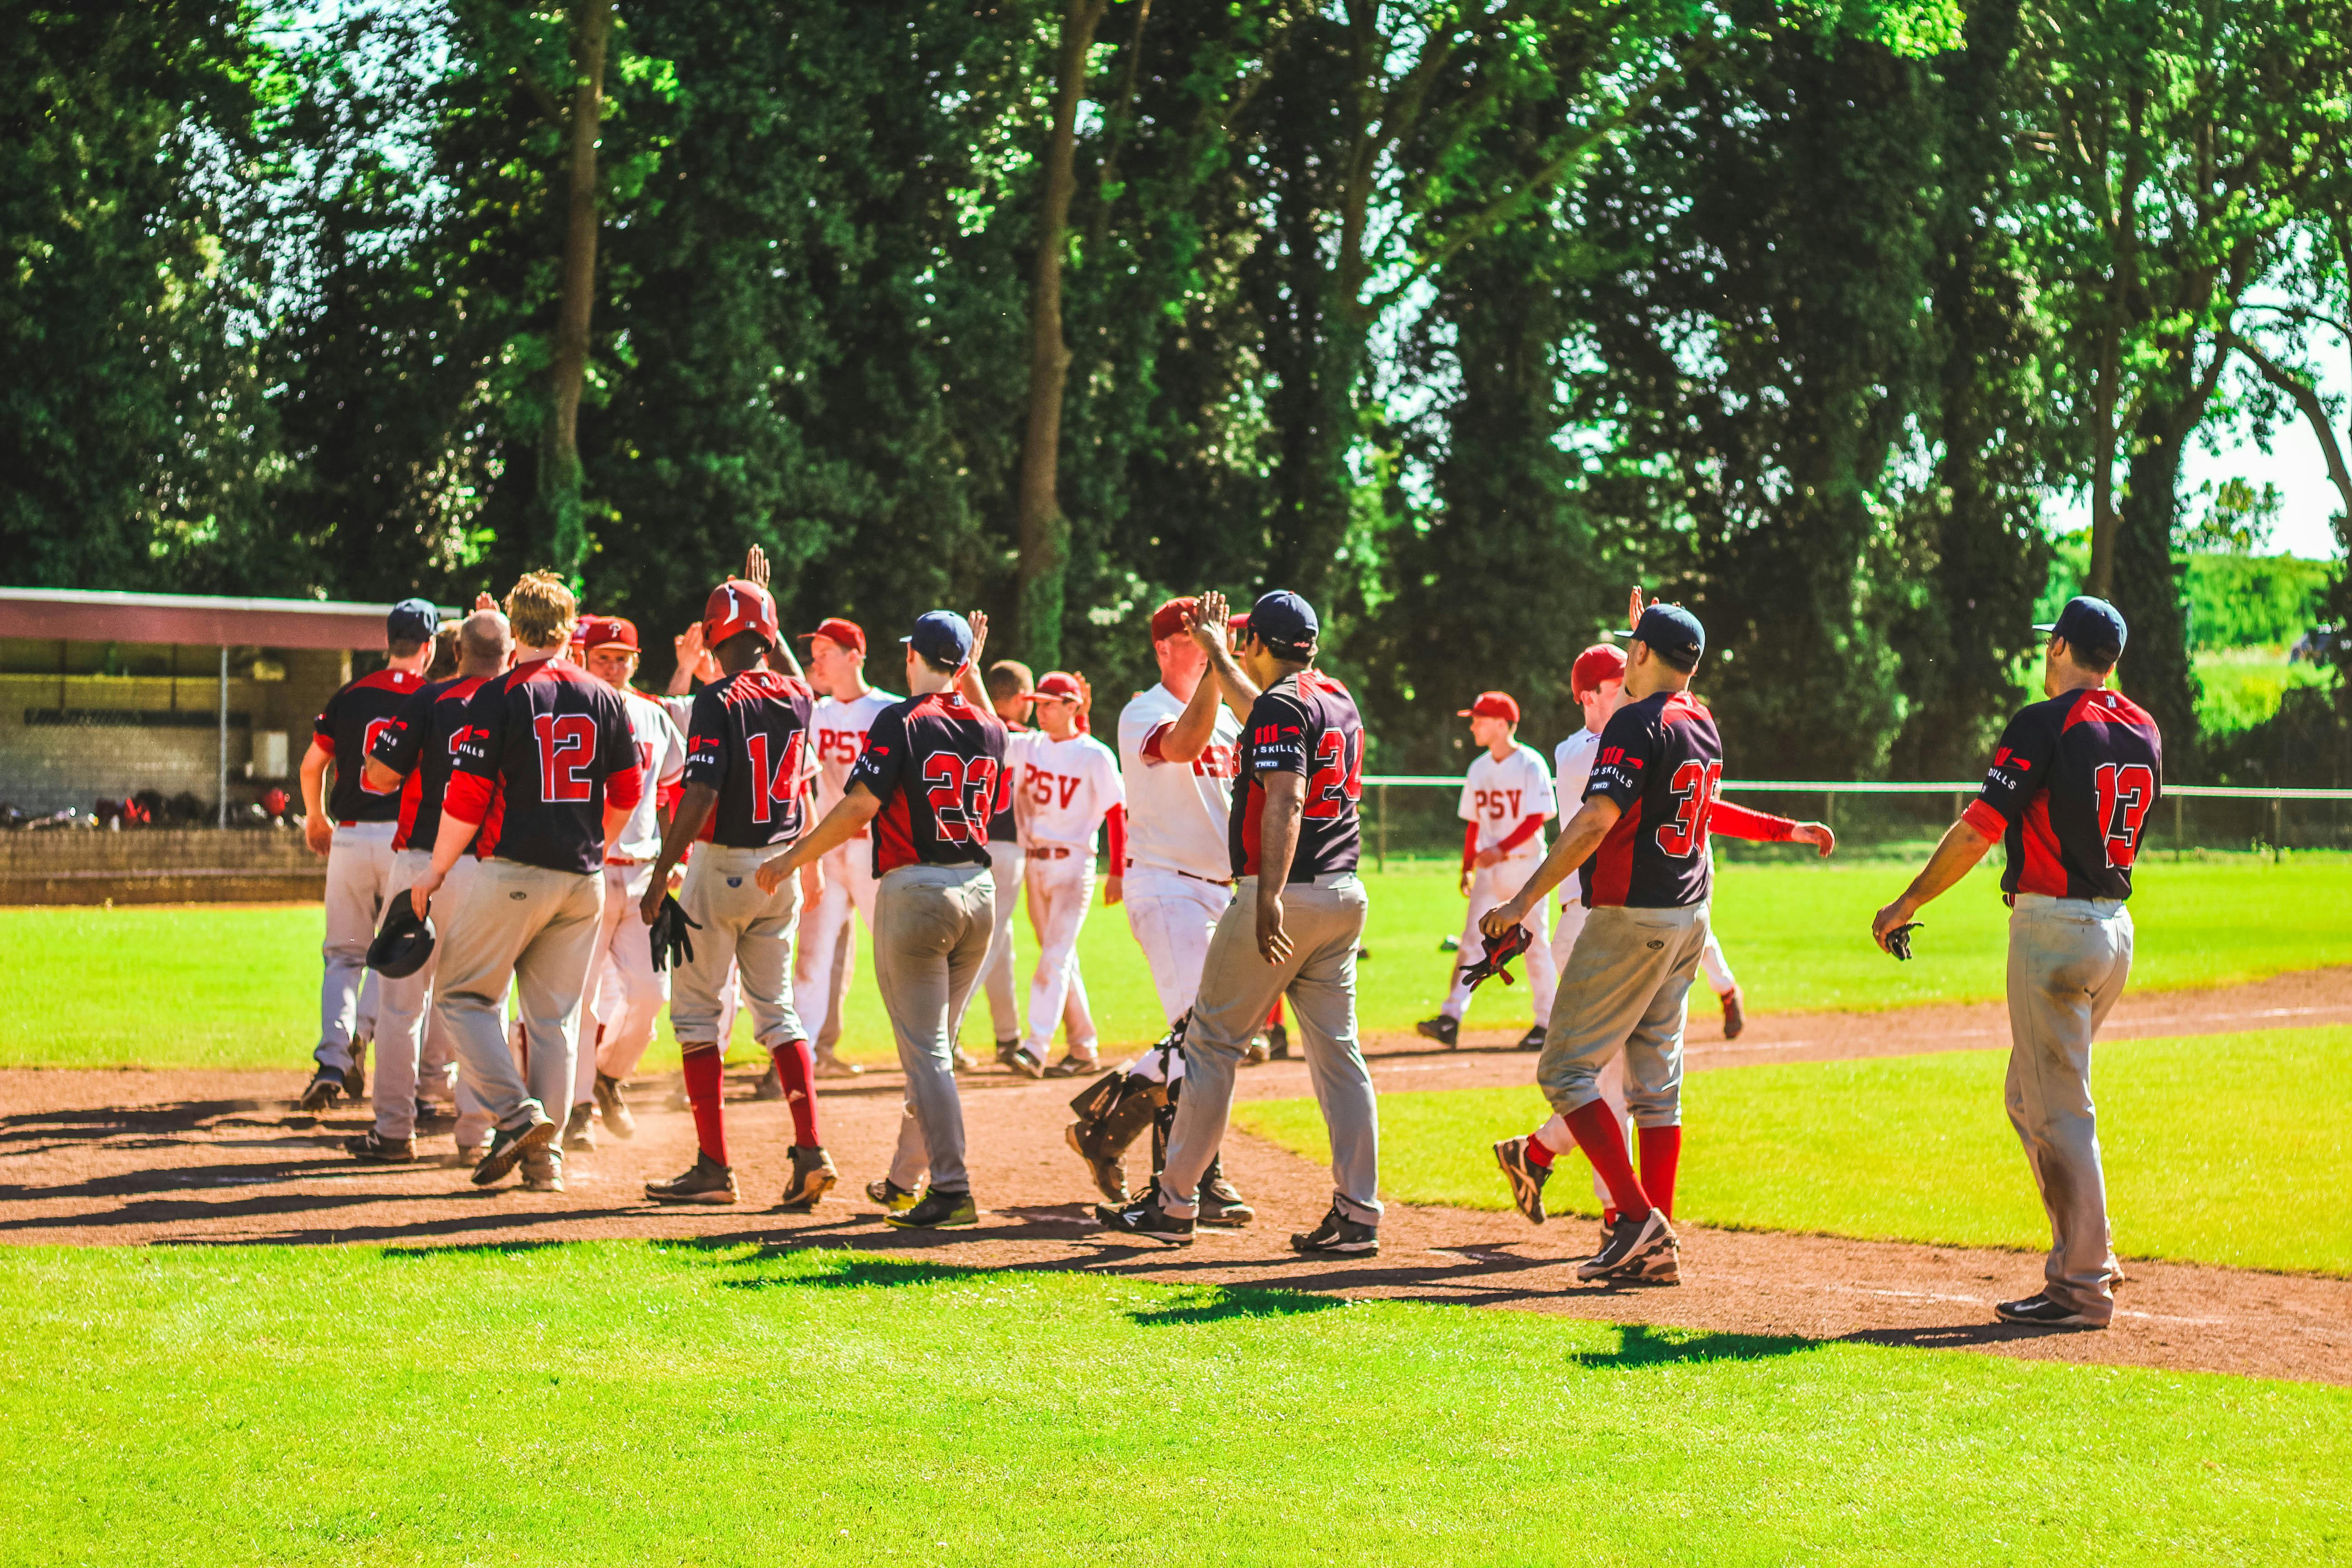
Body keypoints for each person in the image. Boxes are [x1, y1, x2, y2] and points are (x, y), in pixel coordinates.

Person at [1485, 594, 1833, 1284]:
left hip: (1631, 915)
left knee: (1563, 1070)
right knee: (1656, 1088)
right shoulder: (1700, 720)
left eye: (1633, 643)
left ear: (1640, 653)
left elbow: (1593, 824)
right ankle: (1656, 1242)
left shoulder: (1631, 723)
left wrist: (1523, 901)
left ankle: (1638, 1223)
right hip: (1689, 918)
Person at [1872, 595, 2157, 1329]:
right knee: (2030, 1099)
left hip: (2052, 928)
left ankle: (2081, 1285)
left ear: (2059, 645)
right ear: (2113, 660)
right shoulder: (2142, 725)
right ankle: (2083, 1251)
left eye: (2049, 644)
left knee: (2058, 1110)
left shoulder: (2042, 720)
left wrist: (1903, 901)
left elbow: (1977, 833)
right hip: (2114, 931)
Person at [1096, 589, 1379, 1254]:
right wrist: (1223, 659)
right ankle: (1359, 1213)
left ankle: (1174, 1203)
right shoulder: (1335, 697)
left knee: (1211, 1045)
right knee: (1340, 1057)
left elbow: (1284, 796)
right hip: (1345, 892)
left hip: (1285, 894)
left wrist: (1268, 896)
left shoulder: (1280, 703)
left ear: (1260, 645)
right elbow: (1268, 718)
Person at [757, 610, 1004, 1231]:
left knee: (928, 1056)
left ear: (911, 657)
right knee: (936, 1049)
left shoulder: (900, 719)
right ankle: (904, 1179)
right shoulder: (993, 726)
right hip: (979, 890)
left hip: (917, 889)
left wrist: (792, 857)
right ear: (967, 664)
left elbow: (861, 805)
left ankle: (951, 1188)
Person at [407, 572, 642, 1195]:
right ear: (571, 628)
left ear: (515, 628)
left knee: (461, 997)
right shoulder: (605, 696)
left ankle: (519, 1116)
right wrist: (598, 841)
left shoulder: (499, 694)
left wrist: (434, 872)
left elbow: (467, 797)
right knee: (555, 1023)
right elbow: (628, 791)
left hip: (513, 868)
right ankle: (547, 1162)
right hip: (583, 875)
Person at [642, 578, 836, 1209]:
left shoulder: (715, 698)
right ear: (769, 635)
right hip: (779, 865)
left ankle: (713, 1167)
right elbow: (781, 673)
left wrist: (658, 872)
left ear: (715, 635)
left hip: (722, 865)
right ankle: (810, 1148)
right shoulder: (800, 695)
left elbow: (699, 796)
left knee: (698, 1015)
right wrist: (771, 616)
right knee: (777, 1010)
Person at [1067, 595, 1252, 1219]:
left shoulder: (1229, 718)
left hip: (1220, 891)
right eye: (1194, 637)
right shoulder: (1142, 711)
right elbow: (1179, 746)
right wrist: (1216, 673)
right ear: (1162, 649)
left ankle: (1106, 1126)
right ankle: (1197, 1179)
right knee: (1206, 1037)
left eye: (1213, 636)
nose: (1206, 646)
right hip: (1167, 886)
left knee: (1209, 1037)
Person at [347, 605, 514, 1161]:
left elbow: (380, 775)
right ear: (509, 655)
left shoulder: (430, 699)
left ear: (458, 653)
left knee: (402, 1005)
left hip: (423, 861)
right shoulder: (522, 699)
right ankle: (477, 1132)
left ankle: (395, 1130)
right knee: (482, 1003)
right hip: (494, 868)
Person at [296, 597, 439, 1111]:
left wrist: (316, 818)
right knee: (398, 957)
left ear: (388, 643)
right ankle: (369, 1039)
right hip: (409, 845)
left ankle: (333, 1059)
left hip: (352, 838)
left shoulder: (351, 695)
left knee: (343, 956)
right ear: (429, 647)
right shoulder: (435, 697)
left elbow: (313, 766)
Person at [571, 615, 689, 1146]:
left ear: (636, 663)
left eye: (623, 659)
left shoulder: (653, 716)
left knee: (650, 995)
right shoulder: (569, 711)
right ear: (583, 659)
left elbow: (668, 796)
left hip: (643, 875)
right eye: (603, 658)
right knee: (581, 999)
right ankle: (575, 1110)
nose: (614, 668)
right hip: (587, 871)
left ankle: (609, 1076)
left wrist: (671, 858)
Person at [790, 615, 902, 1078]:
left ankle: (930, 1048)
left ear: (856, 656)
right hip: (827, 848)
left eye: (826, 652)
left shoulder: (892, 711)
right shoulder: (815, 713)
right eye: (813, 653)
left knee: (896, 953)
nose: (816, 661)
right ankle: (799, 1058)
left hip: (877, 848)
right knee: (812, 957)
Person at [1416, 691, 1557, 1052]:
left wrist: (1501, 849)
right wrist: (1467, 866)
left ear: (1500, 724)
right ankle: (1450, 1019)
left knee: (1535, 943)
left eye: (1479, 719)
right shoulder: (1479, 767)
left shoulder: (1530, 763)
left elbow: (1537, 818)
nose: (1474, 725)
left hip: (1526, 867)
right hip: (1489, 872)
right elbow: (1474, 824)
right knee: (1471, 942)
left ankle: (1547, 1022)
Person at [1004, 670, 1125, 1078]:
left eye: (1051, 704)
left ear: (1073, 707)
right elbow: (989, 726)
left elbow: (1116, 813)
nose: (1042, 711)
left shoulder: (1095, 754)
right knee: (1061, 959)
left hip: (1074, 866)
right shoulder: (1029, 746)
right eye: (1039, 704)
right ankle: (1084, 1047)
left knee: (1053, 959)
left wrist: (1119, 871)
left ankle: (1035, 1047)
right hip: (1034, 862)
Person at [971, 659, 1036, 1067]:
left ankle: (1007, 1035)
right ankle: (947, 1030)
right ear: (1016, 699)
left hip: (973, 844)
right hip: (1006, 848)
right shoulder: (1027, 739)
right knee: (987, 945)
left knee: (1003, 945)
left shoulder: (973, 728)